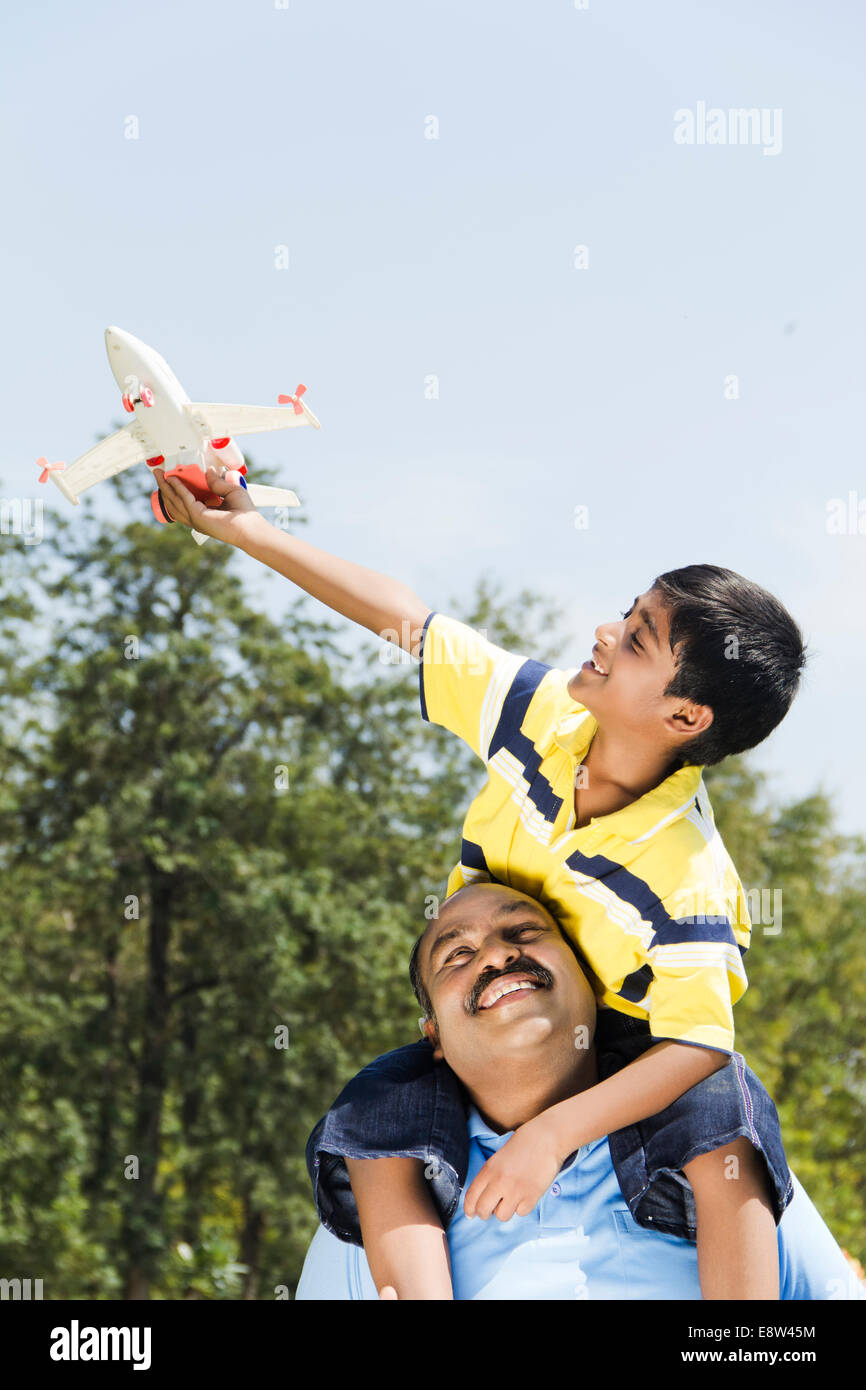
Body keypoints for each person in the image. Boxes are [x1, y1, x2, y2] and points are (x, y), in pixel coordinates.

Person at [153, 462, 805, 1300]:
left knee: (726, 1110)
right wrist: (248, 531)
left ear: (685, 718)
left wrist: (554, 1137)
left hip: (617, 1059)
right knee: (377, 1110)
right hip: (504, 1019)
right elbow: (409, 623)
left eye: (637, 637)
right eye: (627, 611)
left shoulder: (689, 873)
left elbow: (700, 1040)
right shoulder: (539, 715)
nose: (605, 632)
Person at [296, 882, 860, 1300]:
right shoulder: (383, 1208)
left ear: (589, 980)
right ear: (433, 1036)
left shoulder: (722, 1151)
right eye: (457, 956)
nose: (496, 955)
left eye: (524, 933)